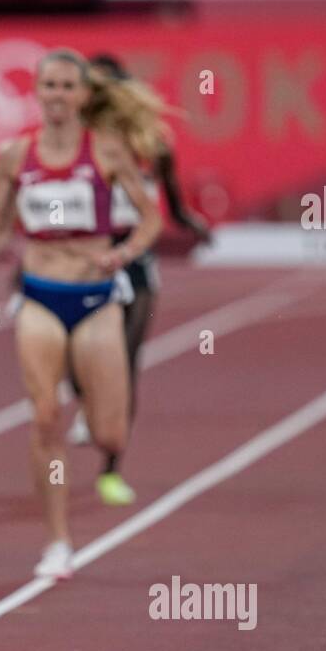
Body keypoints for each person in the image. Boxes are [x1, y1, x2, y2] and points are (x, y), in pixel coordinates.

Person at [0, 48, 162, 579]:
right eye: (48, 85)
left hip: (97, 300)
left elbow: (150, 221)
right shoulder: (14, 156)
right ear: (37, 92)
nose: (56, 95)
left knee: (109, 435)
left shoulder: (107, 150)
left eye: (66, 87)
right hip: (40, 297)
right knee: (45, 417)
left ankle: (100, 425)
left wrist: (123, 253)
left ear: (82, 96)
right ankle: (57, 543)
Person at [65, 55, 212, 495]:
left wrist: (191, 221)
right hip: (90, 256)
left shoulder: (154, 145)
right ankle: (89, 401)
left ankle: (111, 469)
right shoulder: (80, 143)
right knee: (75, 352)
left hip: (135, 258)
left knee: (125, 364)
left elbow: (173, 202)